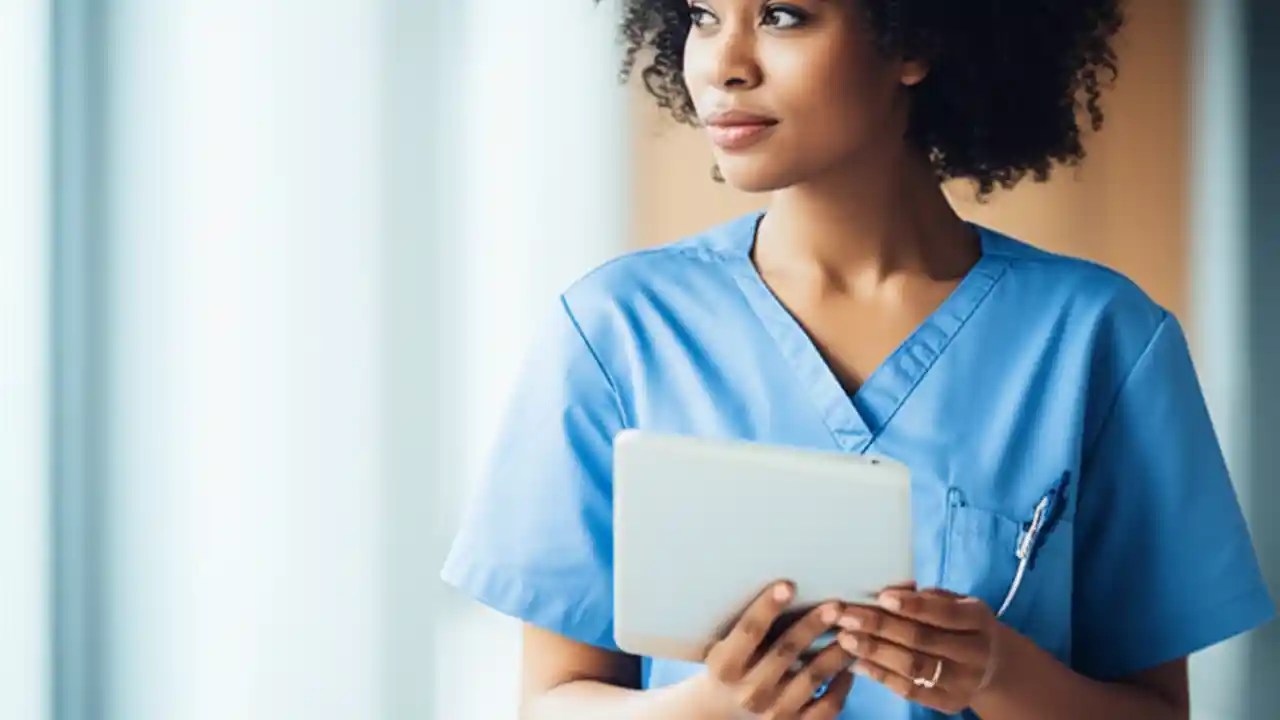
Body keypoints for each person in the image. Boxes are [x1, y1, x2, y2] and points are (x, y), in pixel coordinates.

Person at [441, 0, 1275, 717]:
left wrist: (999, 673)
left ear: (913, 40)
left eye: (781, 15)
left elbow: (1160, 710)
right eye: (702, 16)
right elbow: (551, 700)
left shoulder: (1101, 339)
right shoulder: (614, 332)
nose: (723, 66)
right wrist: (708, 709)